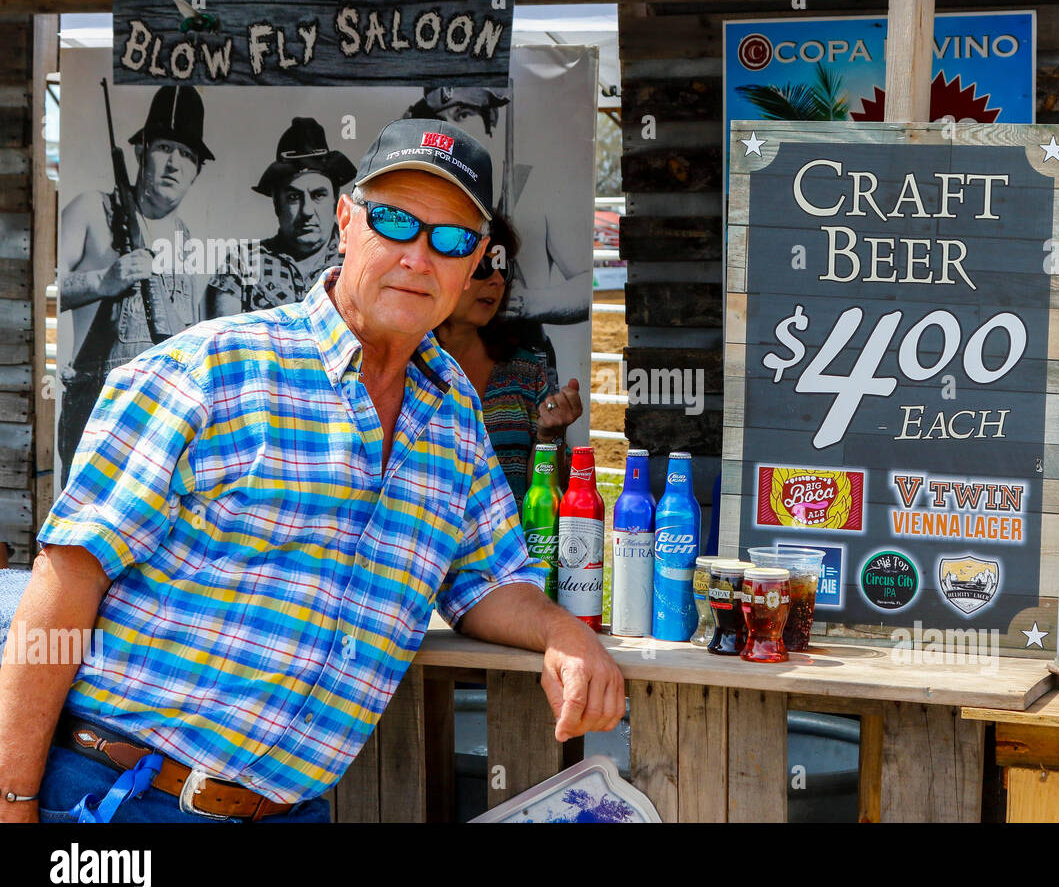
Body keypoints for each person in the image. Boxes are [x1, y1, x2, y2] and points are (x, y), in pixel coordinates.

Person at [0, 117, 623, 823]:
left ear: (475, 258)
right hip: (126, 798)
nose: (419, 257)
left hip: (291, 810)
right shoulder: (208, 372)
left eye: (450, 239)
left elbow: (486, 579)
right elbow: (66, 580)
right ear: (347, 221)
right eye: (395, 222)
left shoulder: (454, 417)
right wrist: (11, 801)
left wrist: (564, 633)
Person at [57, 85, 215, 478]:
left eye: (187, 155)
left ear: (196, 172)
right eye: (165, 148)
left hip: (165, 424)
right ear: (140, 150)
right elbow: (36, 289)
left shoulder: (187, 241)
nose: (174, 164)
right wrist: (101, 281)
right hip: (98, 416)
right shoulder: (93, 210)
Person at [434, 214, 583, 508]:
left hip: (505, 551)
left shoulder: (524, 371)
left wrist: (550, 436)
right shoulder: (404, 362)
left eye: (505, 267)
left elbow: (550, 495)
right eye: (484, 265)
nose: (497, 279)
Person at [209, 117, 355, 315]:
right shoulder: (242, 263)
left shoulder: (357, 258)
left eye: (318, 195)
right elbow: (224, 340)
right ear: (277, 205)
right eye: (294, 197)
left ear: (335, 202)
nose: (307, 211)